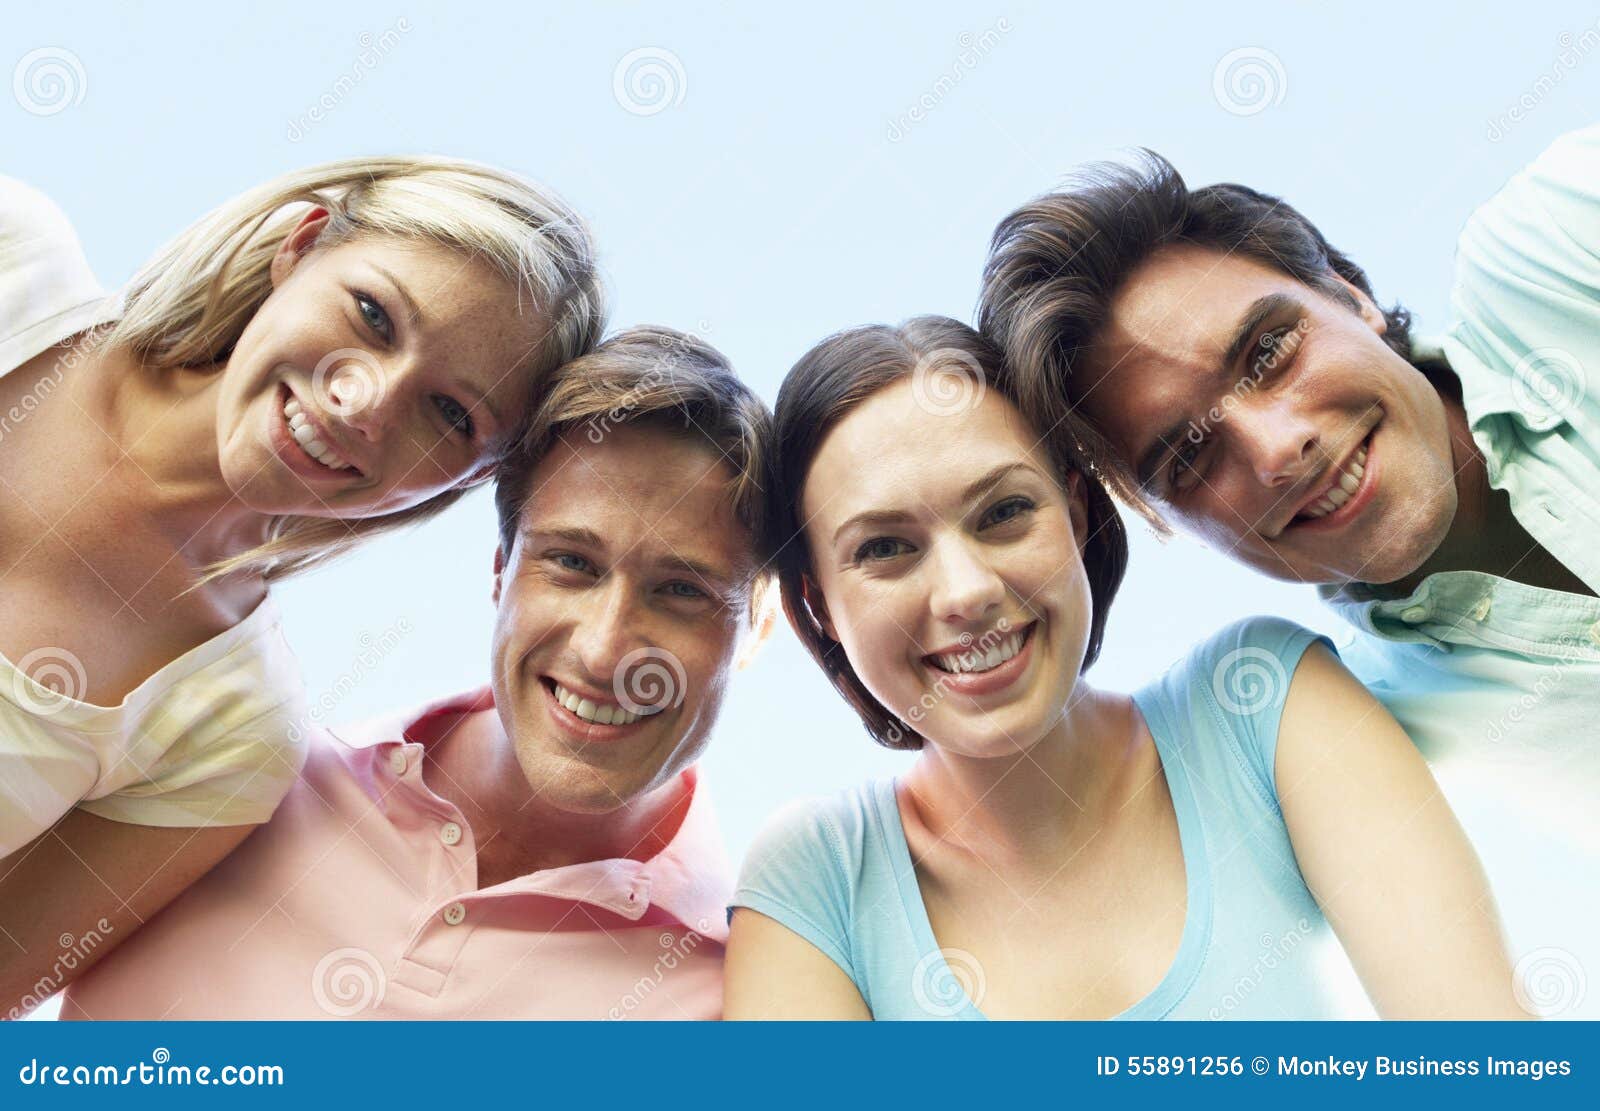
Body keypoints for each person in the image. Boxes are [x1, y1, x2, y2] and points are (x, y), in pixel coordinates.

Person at [724, 316, 1518, 1020]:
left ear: (1075, 514)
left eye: (1004, 512)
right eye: (885, 548)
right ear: (820, 606)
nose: (966, 592)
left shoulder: (1265, 708)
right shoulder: (819, 880)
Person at [978, 124, 1600, 1017]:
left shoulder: (1556, 251)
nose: (1279, 448)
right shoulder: (1385, 752)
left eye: (1269, 352)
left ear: (1349, 292)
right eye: (1190, 456)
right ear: (1167, 520)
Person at [0, 161, 606, 1012]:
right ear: (304, 246)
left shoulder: (232, 734)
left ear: (465, 481)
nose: (363, 400)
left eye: (450, 414)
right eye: (373, 315)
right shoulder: (14, 258)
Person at [56, 326, 774, 1020]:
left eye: (682, 591)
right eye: (572, 563)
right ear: (501, 570)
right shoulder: (230, 780)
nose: (604, 650)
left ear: (759, 623)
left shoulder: (737, 1005)